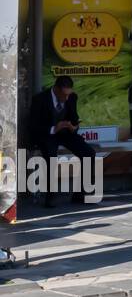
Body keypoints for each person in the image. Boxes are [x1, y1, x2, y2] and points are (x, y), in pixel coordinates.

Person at [26, 76, 92, 207]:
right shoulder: (40, 99)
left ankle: (80, 193)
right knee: (51, 157)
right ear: (56, 89)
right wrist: (53, 128)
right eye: (63, 95)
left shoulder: (72, 97)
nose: (66, 98)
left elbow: (74, 118)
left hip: (65, 133)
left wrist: (74, 127)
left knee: (88, 153)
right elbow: (33, 126)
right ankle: (51, 196)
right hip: (47, 134)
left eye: (68, 95)